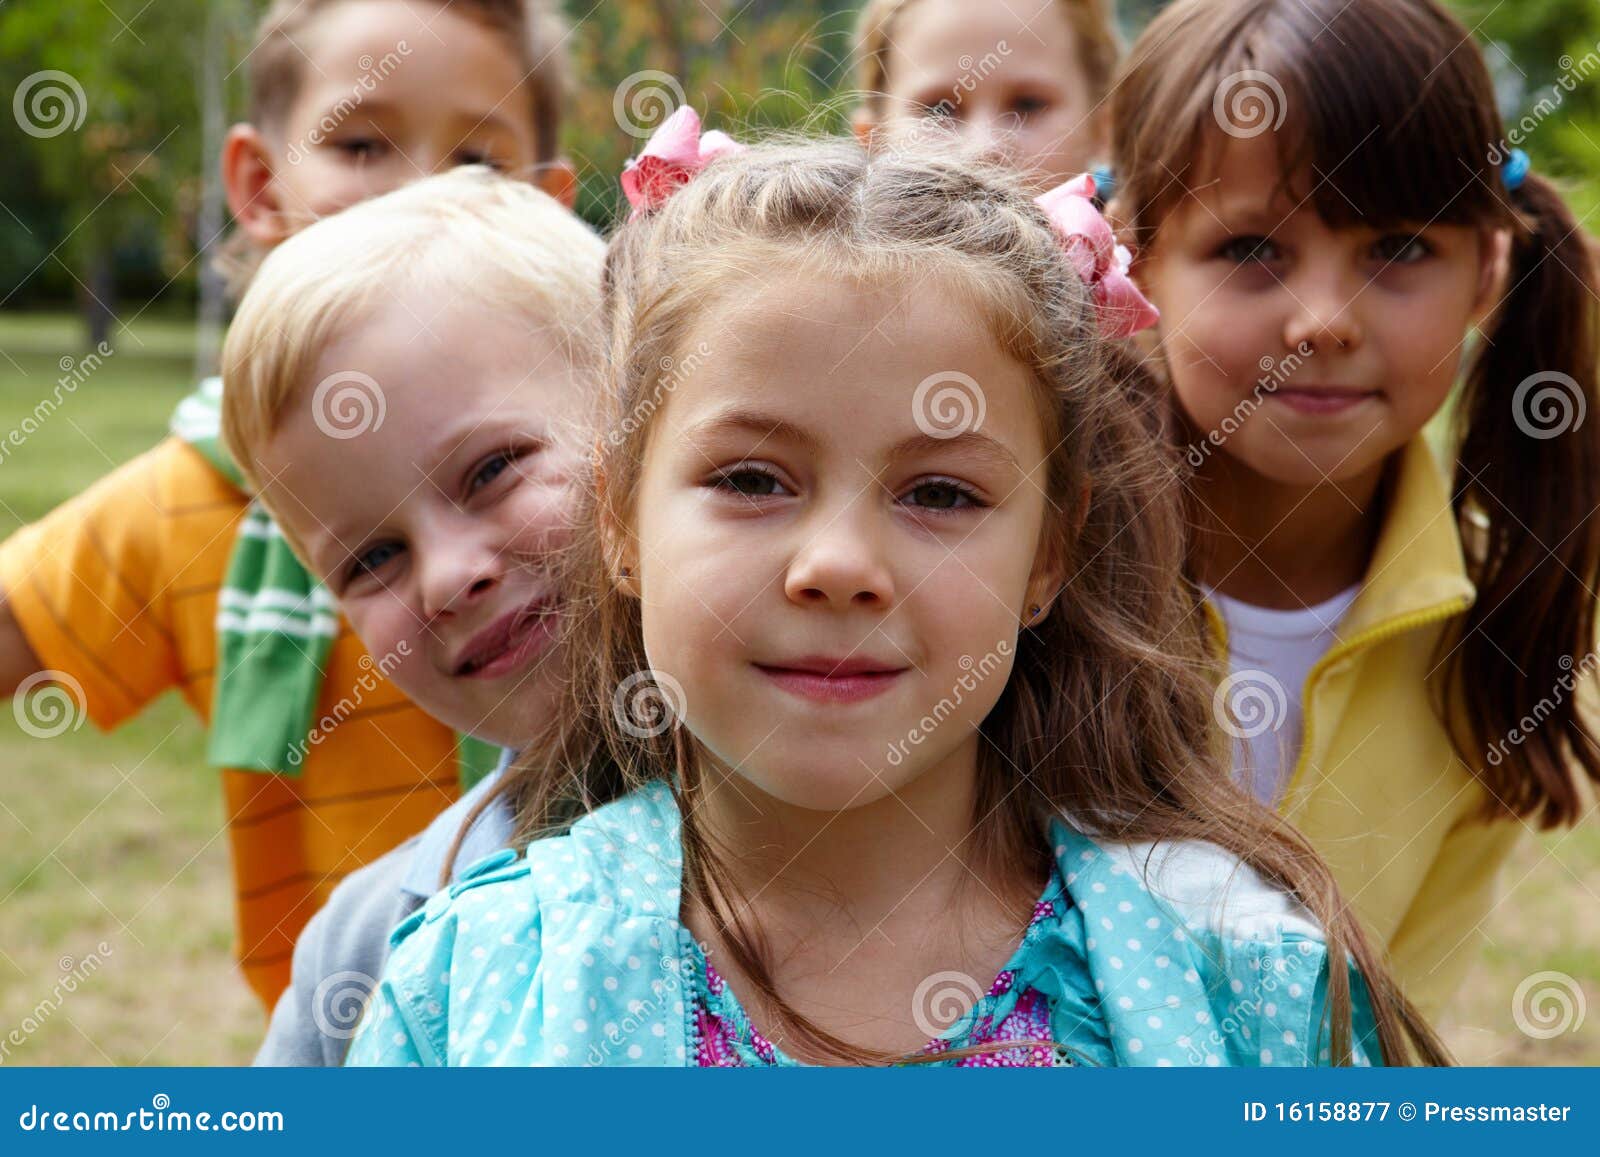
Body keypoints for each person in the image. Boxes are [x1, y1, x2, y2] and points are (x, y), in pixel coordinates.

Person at [346, 122, 1448, 1067]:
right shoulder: (469, 995)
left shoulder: (1247, 984)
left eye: (939, 492)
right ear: (620, 520)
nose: (838, 563)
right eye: (751, 479)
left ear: (1047, 557)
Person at [0, 0, 576, 1010]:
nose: (420, 187)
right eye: (362, 144)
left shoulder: (644, 485)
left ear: (548, 203)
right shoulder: (188, 504)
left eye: (476, 161)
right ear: (261, 185)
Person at [1110, 0, 1600, 1023]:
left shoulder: (1499, 630)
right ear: (1135, 256)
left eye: (1397, 247)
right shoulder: (1025, 572)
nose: (1323, 321)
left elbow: (1390, 1032)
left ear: (1487, 269)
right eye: (1251, 247)